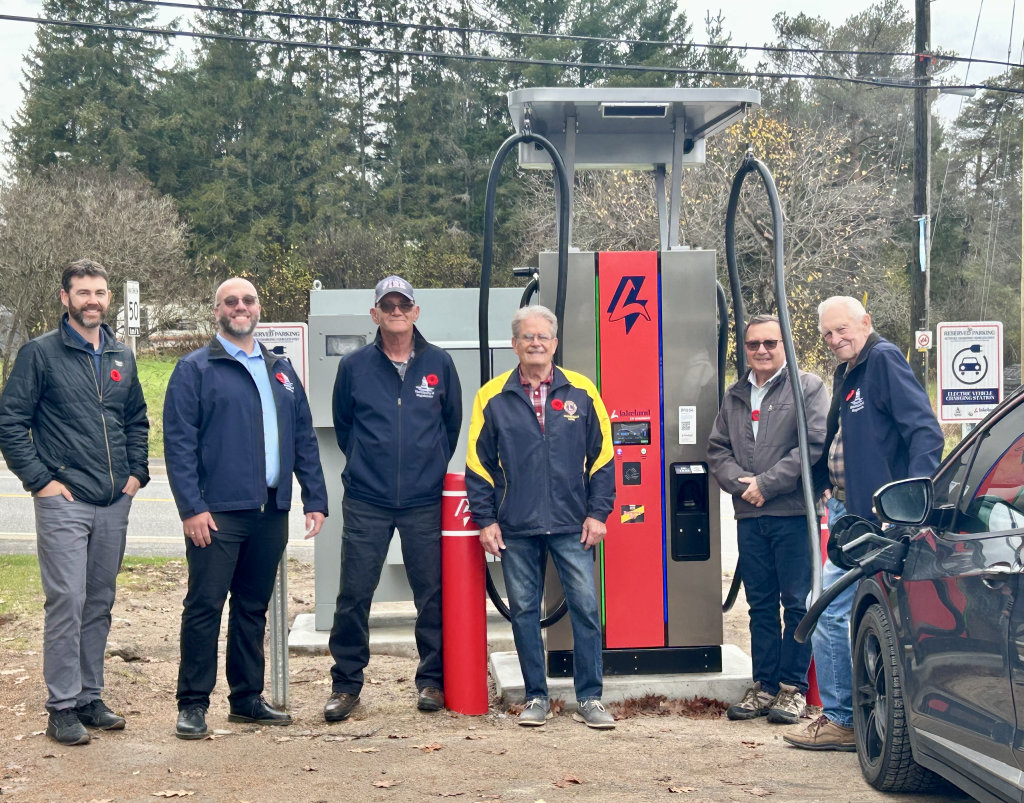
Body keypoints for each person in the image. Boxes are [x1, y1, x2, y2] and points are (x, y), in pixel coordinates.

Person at [164, 277, 327, 740]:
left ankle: (246, 700)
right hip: (216, 514)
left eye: (248, 300)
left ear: (259, 307)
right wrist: (191, 507)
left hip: (270, 511)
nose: (240, 307)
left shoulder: (280, 369)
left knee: (252, 607)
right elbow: (178, 445)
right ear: (216, 309)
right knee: (204, 606)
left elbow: (303, 437)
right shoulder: (195, 369)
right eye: (231, 301)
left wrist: (314, 496)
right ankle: (192, 704)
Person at [0, 259, 149, 746]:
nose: (93, 300)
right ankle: (61, 707)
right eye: (83, 292)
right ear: (65, 297)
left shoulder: (121, 356)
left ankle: (89, 696)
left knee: (99, 601)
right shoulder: (39, 354)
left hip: (113, 502)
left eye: (100, 292)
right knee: (67, 600)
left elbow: (137, 421)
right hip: (64, 499)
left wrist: (135, 477)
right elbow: (11, 423)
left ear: (109, 299)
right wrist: (41, 481)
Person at [784, 296, 943, 751]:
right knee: (853, 611)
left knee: (830, 609)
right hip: (848, 513)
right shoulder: (849, 371)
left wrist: (912, 503)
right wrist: (821, 483)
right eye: (828, 334)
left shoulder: (884, 359)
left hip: (879, 517)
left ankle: (841, 719)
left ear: (866, 322)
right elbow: (839, 435)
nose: (836, 340)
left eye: (843, 330)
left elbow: (925, 433)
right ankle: (856, 715)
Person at [466, 305, 616, 730]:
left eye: (542, 337)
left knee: (585, 609)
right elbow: (478, 465)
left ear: (554, 342)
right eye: (527, 337)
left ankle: (590, 698)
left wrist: (598, 513)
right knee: (525, 611)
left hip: (573, 524)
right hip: (516, 525)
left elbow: (603, 458)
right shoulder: (491, 397)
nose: (535, 343)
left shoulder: (582, 391)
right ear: (514, 345)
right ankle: (536, 696)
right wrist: (485, 520)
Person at [325, 275, 462, 722]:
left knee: (433, 594)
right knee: (353, 595)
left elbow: (451, 425)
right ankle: (346, 686)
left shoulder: (439, 363)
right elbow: (345, 428)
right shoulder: (355, 367)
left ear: (416, 312)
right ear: (376, 314)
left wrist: (429, 466)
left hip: (425, 500)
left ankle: (432, 681)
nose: (397, 311)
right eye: (388, 305)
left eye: (404, 304)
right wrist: (369, 465)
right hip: (368, 499)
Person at [707, 314, 829, 725]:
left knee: (796, 603)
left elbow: (813, 445)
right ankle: (764, 686)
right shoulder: (735, 394)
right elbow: (717, 450)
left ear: (786, 345)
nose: (762, 350)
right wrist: (743, 487)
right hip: (750, 514)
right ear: (744, 348)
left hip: (792, 514)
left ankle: (792, 690)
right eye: (754, 344)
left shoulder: (807, 387)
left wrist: (768, 484)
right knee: (759, 605)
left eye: (770, 343)